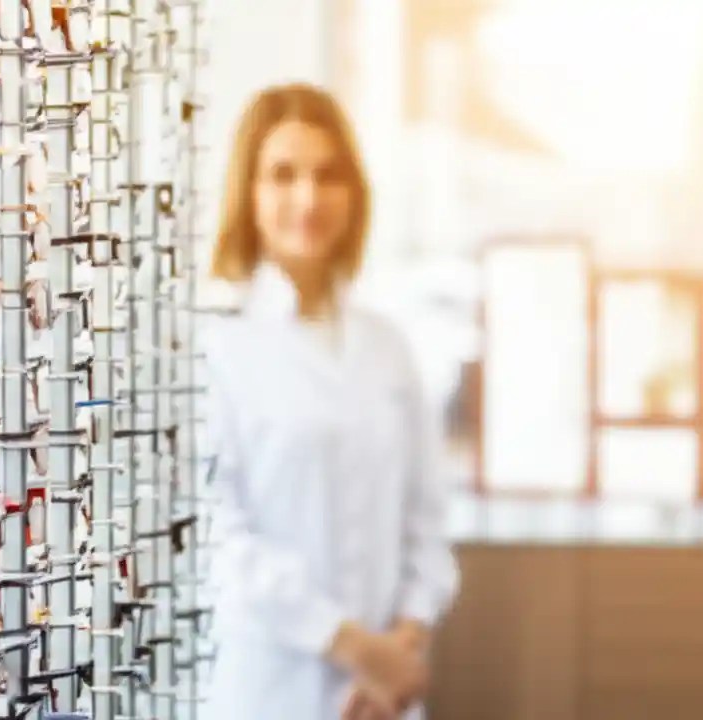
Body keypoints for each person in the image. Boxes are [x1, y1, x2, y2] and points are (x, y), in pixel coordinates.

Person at [201, 82, 460, 720]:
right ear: (248, 193)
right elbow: (219, 534)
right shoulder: (216, 345)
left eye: (327, 174)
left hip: (380, 700)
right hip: (269, 687)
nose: (308, 198)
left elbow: (427, 521)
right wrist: (351, 648)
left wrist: (400, 649)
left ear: (355, 192)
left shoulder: (387, 346)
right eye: (283, 175)